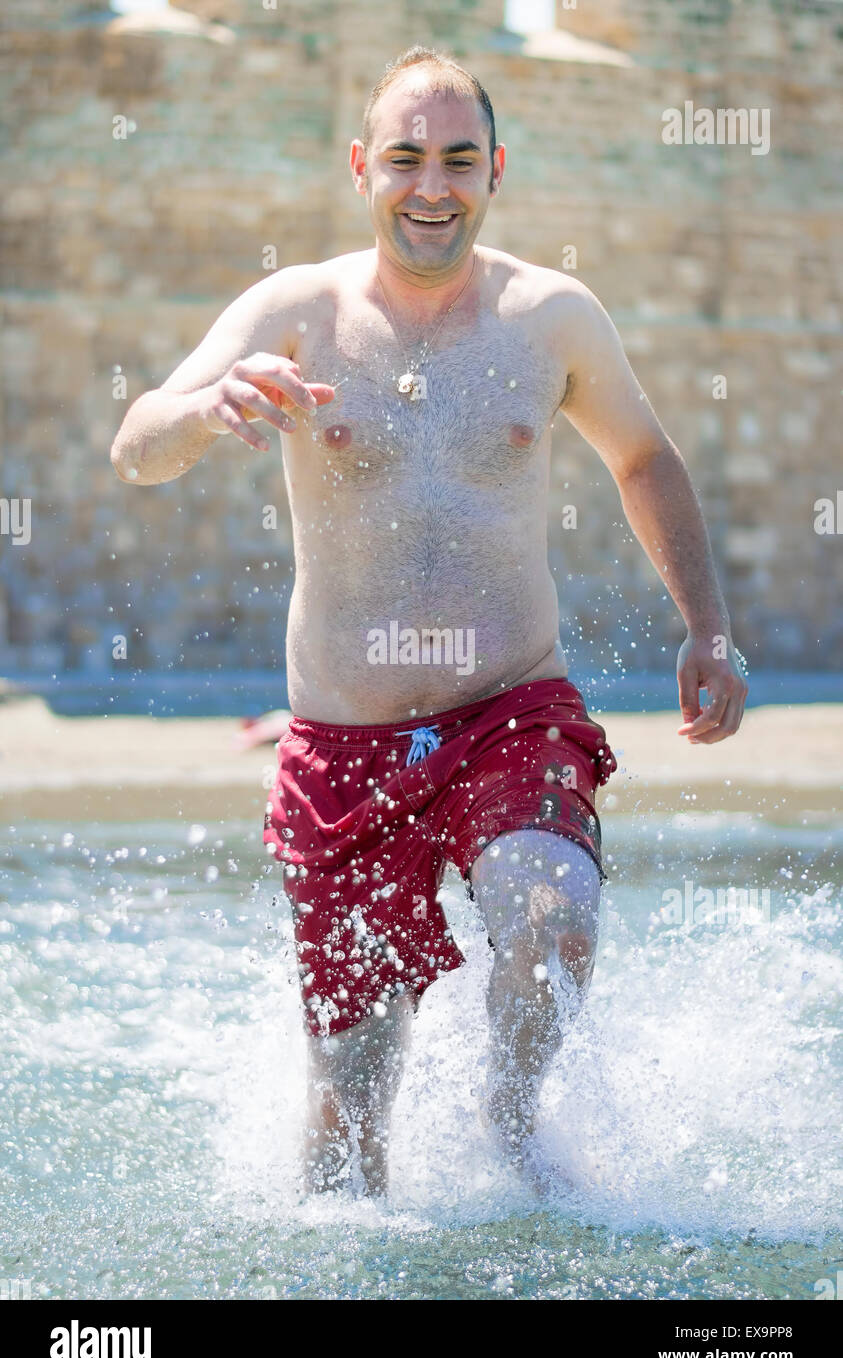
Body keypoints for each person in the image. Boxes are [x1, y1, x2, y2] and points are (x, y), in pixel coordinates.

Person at [111, 46, 748, 1198]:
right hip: (342, 748)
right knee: (349, 1132)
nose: (431, 186)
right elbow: (138, 443)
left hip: (511, 707)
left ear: (495, 169)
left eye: (459, 159)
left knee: (552, 917)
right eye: (404, 158)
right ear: (363, 168)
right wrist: (205, 408)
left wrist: (706, 626)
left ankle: (513, 1144)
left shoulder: (550, 317)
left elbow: (645, 456)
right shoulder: (294, 309)